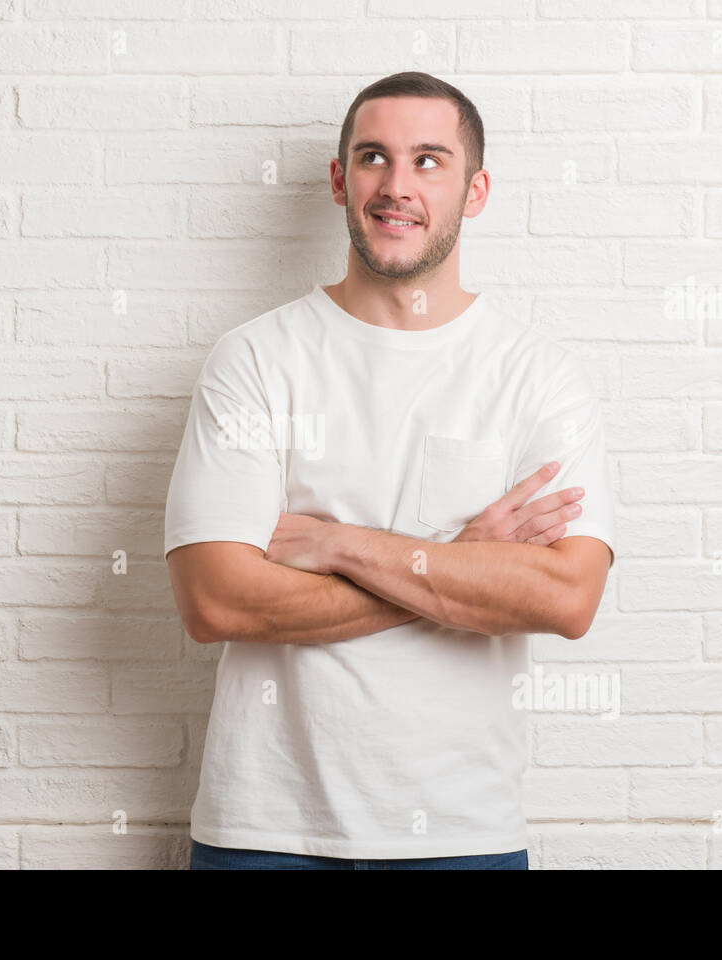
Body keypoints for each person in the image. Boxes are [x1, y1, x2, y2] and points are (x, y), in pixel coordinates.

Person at [164, 71, 616, 870]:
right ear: (341, 179)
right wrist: (468, 561)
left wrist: (343, 546)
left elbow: (567, 598)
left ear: (475, 191)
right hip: (265, 828)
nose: (397, 185)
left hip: (463, 831)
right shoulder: (257, 361)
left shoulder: (538, 376)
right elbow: (217, 599)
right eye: (374, 157)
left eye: (429, 161)